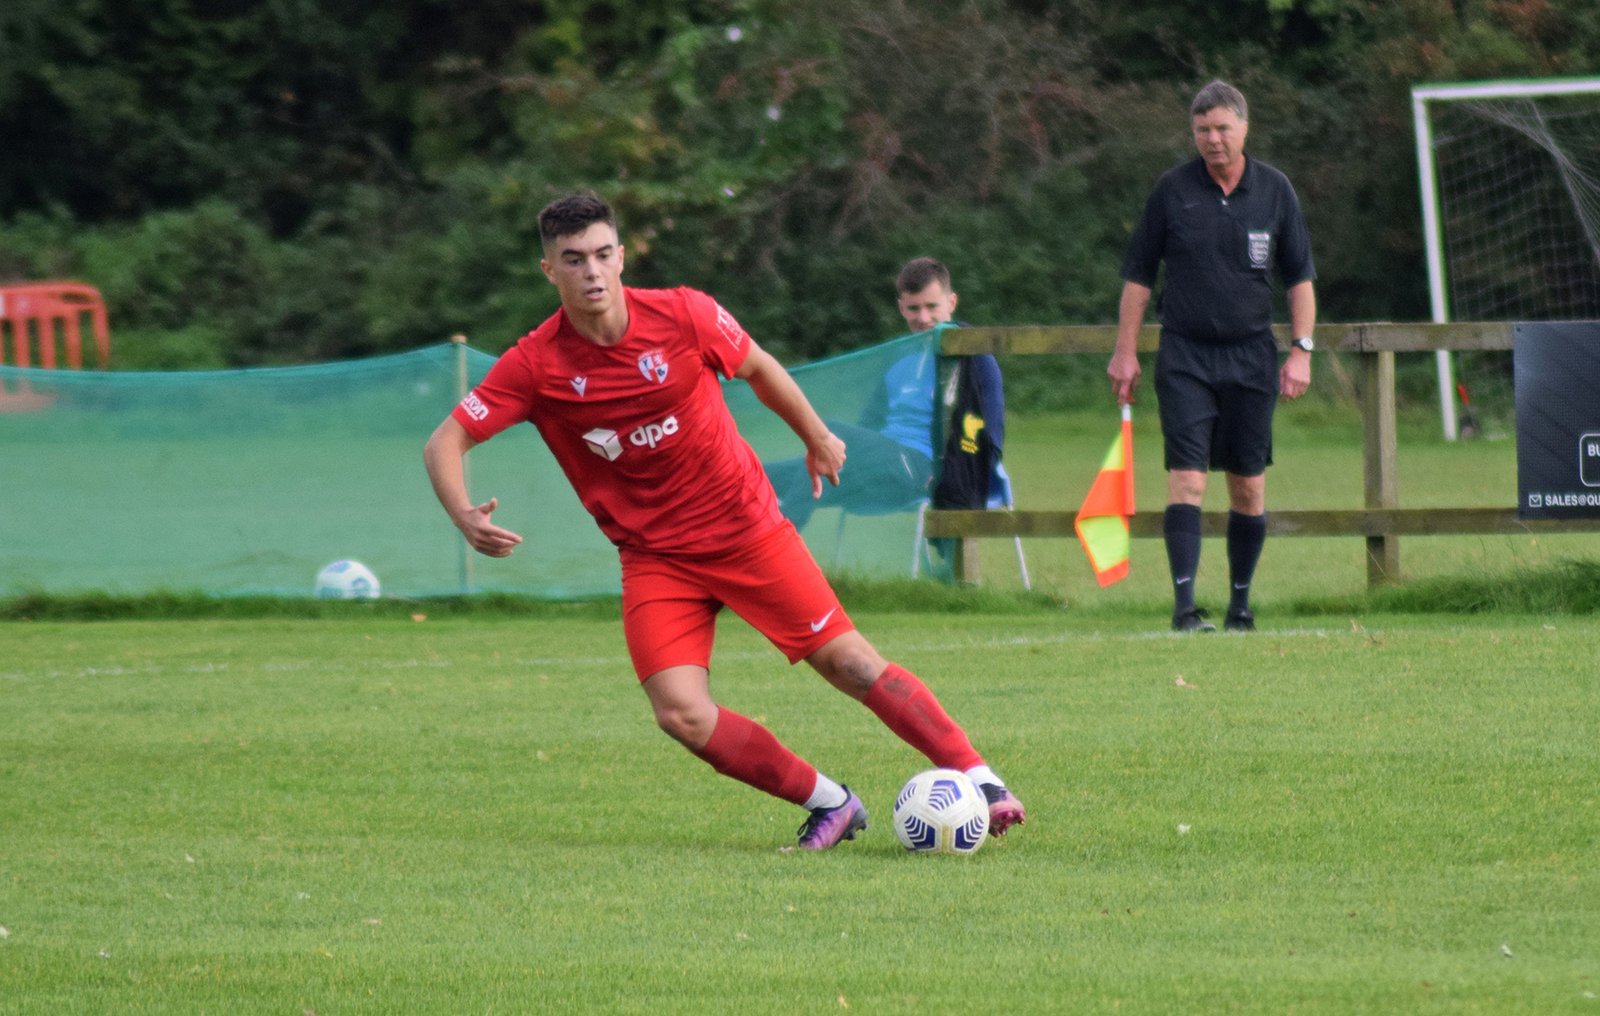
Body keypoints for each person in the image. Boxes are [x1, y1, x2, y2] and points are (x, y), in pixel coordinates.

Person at [423, 192, 1025, 850]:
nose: (591, 271)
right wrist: (463, 514)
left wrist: (817, 436)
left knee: (851, 664)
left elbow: (760, 369)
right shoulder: (536, 364)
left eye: (601, 254)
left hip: (746, 529)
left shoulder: (684, 313)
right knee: (680, 714)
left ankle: (983, 780)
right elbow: (445, 440)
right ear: (549, 270)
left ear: (621, 258)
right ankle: (831, 802)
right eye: (573, 259)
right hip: (655, 557)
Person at [1107, 79, 1316, 633]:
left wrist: (1301, 350)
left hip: (1252, 357)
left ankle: (1240, 606)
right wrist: (1125, 351)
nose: (1213, 139)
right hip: (1185, 356)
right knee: (1188, 480)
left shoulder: (1275, 190)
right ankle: (1184, 609)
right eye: (1202, 130)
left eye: (1223, 127)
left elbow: (1299, 278)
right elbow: (1138, 276)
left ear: (1244, 128)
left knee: (1248, 484)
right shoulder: (1172, 190)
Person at [765, 257, 1007, 531]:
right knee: (762, 475)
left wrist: (952, 478)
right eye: (914, 308)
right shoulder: (898, 359)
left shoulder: (973, 359)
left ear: (951, 302)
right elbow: (869, 425)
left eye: (931, 307)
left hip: (923, 470)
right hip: (880, 469)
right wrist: (842, 459)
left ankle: (783, 537)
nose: (923, 318)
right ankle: (748, 544)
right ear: (901, 308)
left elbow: (988, 433)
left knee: (829, 432)